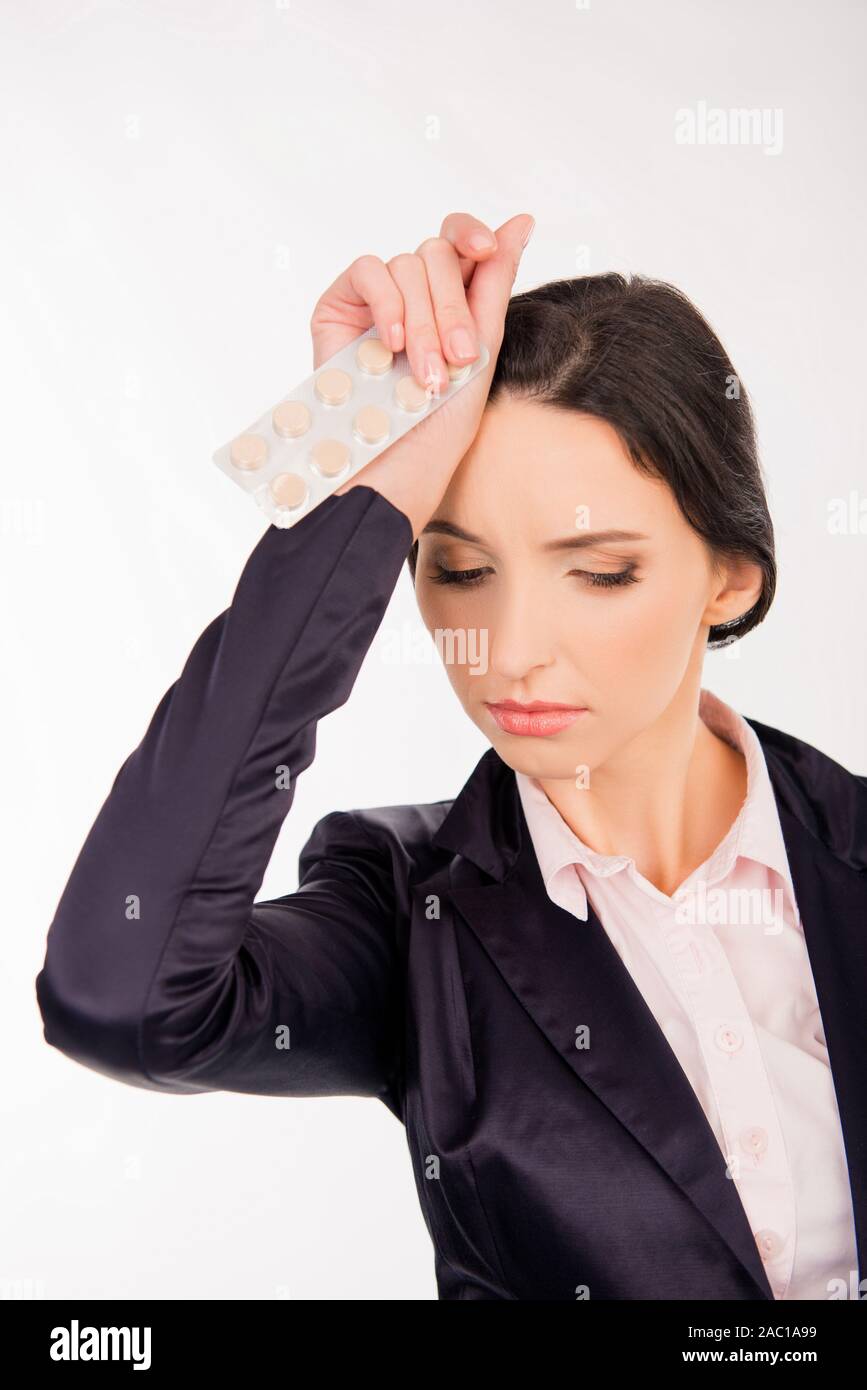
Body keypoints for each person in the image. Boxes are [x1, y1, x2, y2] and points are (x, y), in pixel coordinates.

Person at [35, 211, 866, 1301]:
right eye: (459, 569)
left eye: (600, 571)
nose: (509, 652)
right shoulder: (410, 911)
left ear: (730, 579)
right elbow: (122, 995)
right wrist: (359, 494)